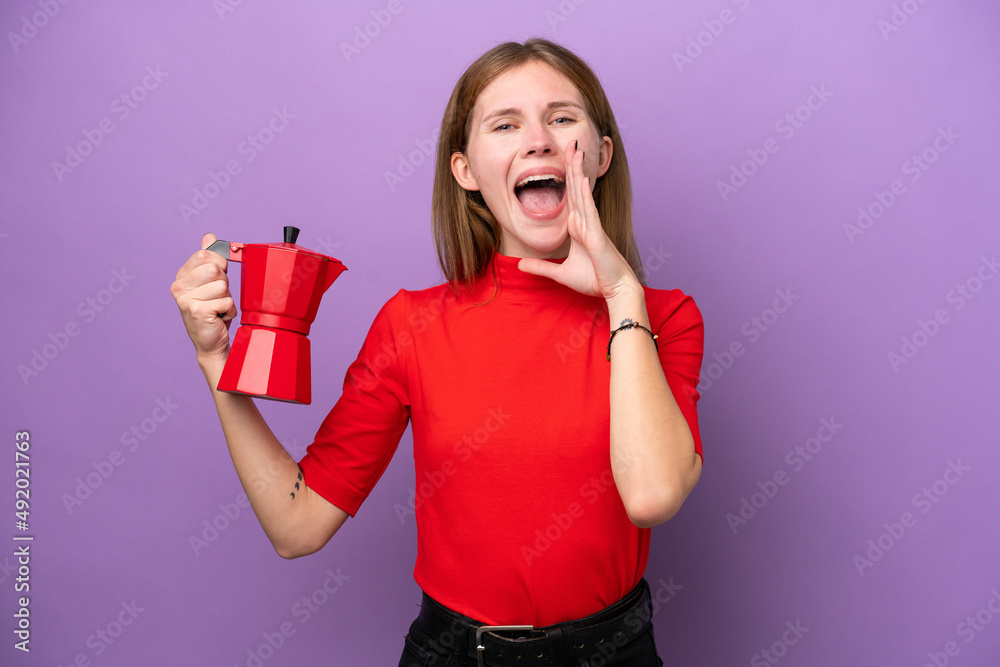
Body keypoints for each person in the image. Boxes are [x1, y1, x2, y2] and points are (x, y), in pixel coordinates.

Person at [170, 37, 704, 667]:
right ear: (466, 171)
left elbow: (652, 496)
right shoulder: (411, 325)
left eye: (562, 118)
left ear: (601, 155)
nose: (538, 140)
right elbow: (297, 525)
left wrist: (621, 294)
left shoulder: (665, 317)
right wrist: (217, 362)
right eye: (505, 124)